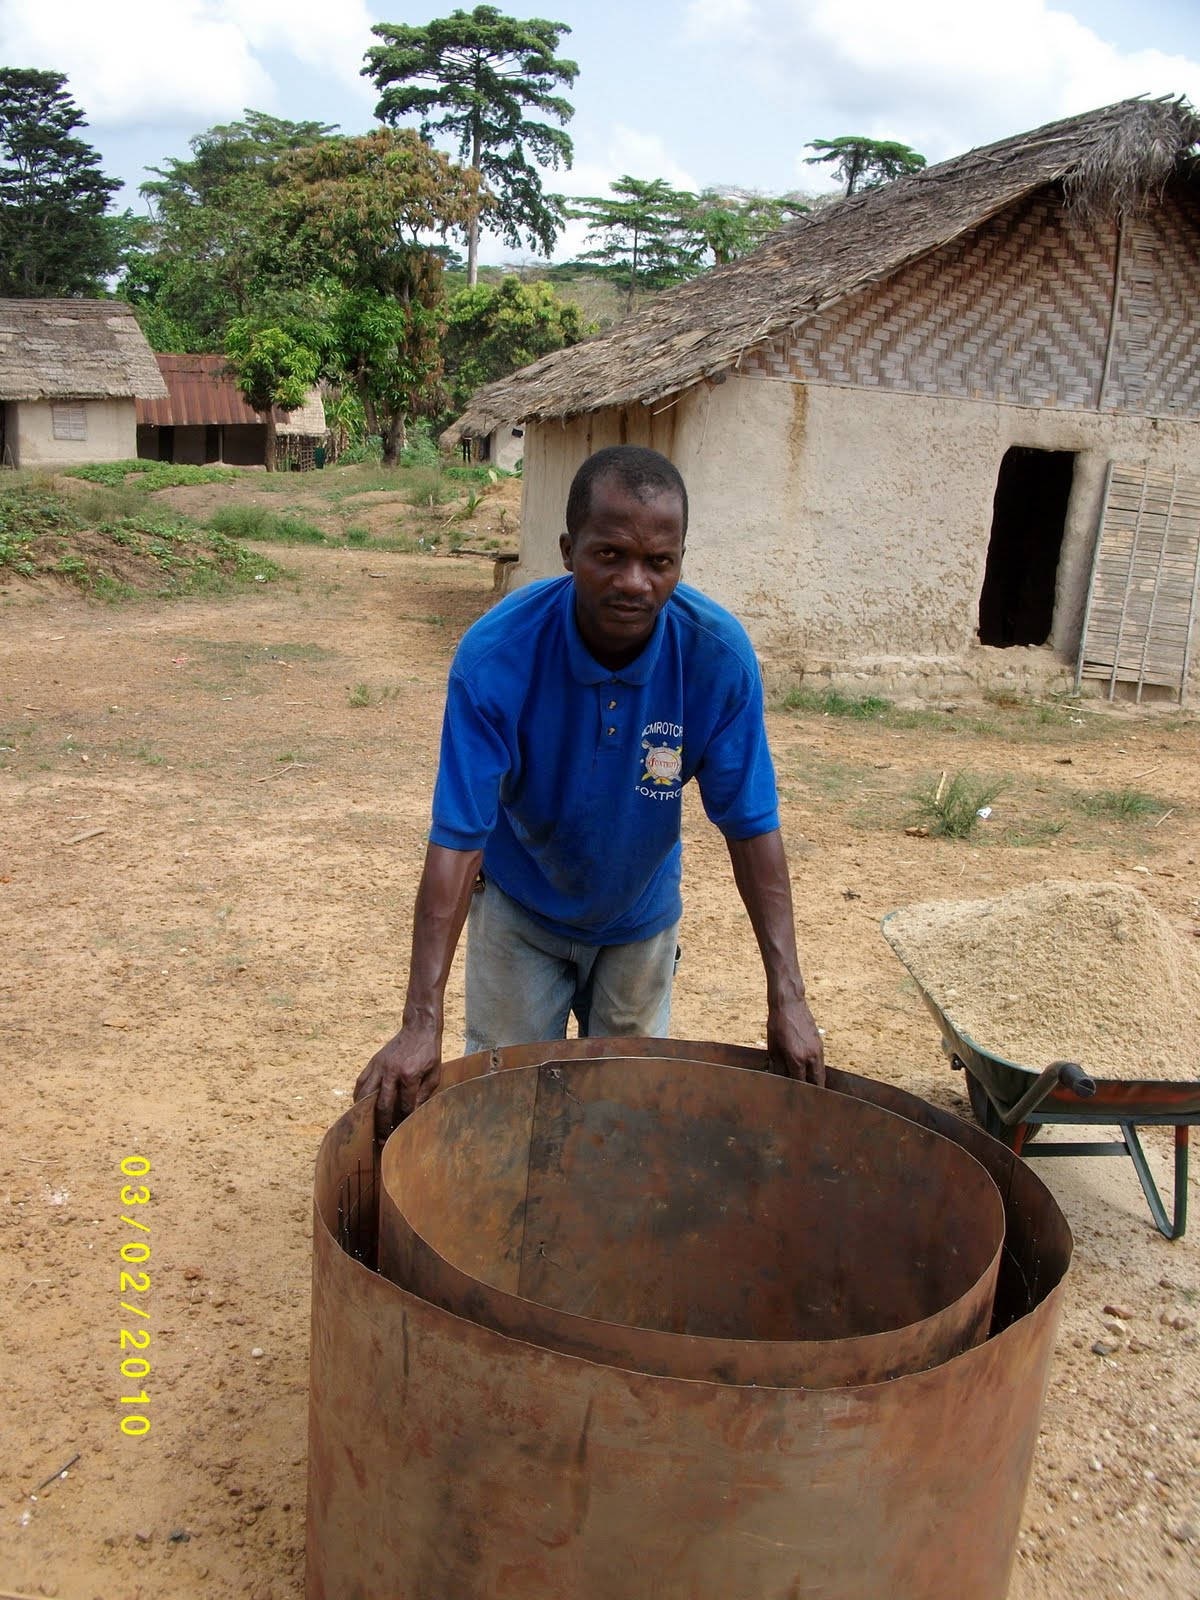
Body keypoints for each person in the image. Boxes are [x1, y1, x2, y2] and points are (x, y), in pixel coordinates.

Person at [356, 445, 824, 1139]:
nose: (634, 582)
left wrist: (788, 995)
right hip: (521, 912)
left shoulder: (716, 659)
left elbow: (752, 828)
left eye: (659, 562)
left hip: (639, 922)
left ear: (681, 561)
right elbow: (457, 840)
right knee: (505, 1110)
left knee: (623, 1119)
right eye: (610, 555)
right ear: (570, 549)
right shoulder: (498, 658)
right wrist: (419, 1022)